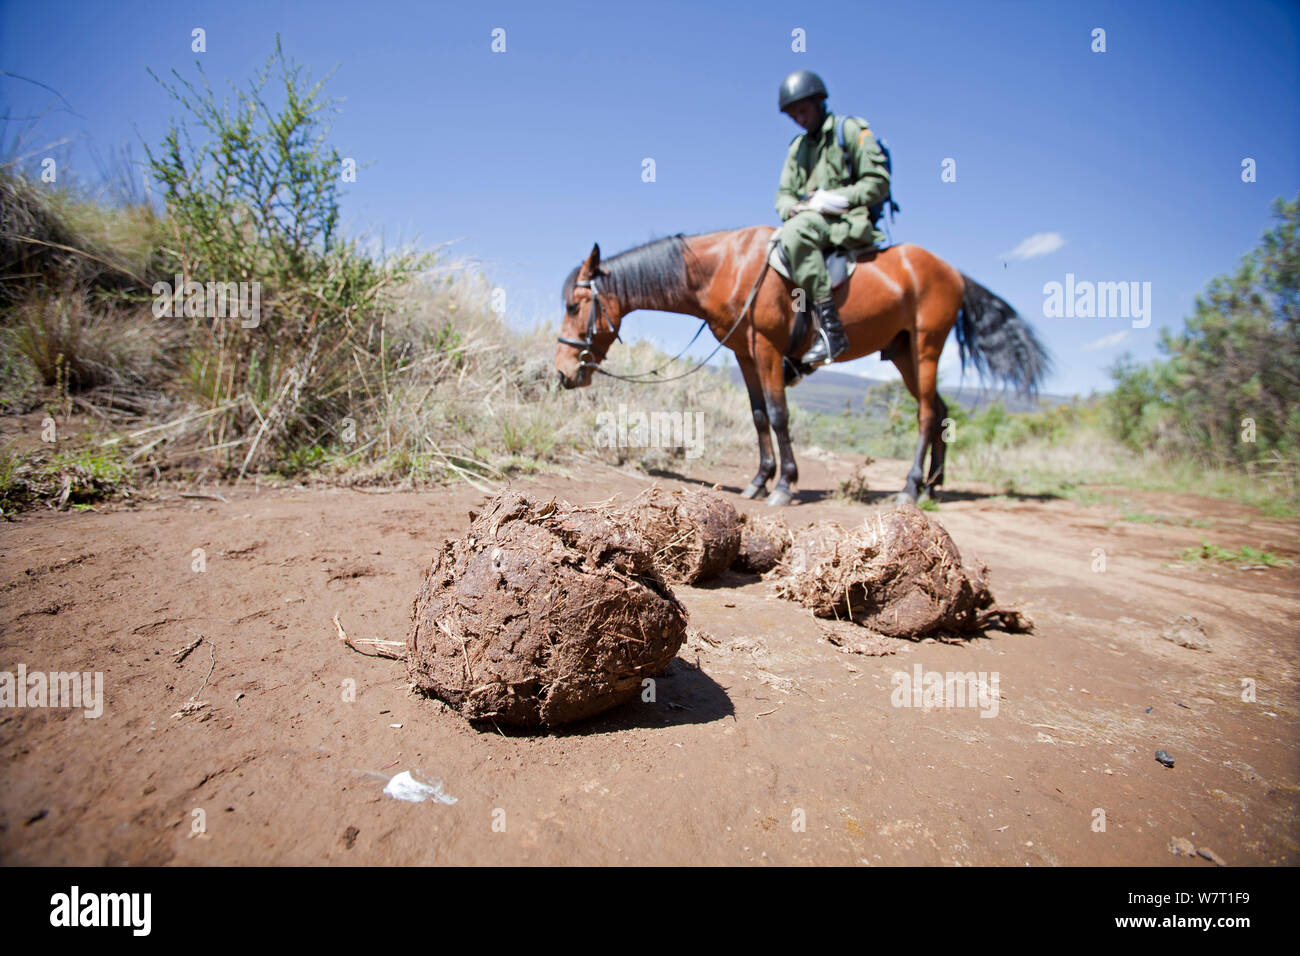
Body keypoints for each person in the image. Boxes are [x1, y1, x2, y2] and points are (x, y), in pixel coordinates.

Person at [774, 70, 891, 368]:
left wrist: (834, 199)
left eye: (803, 110)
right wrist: (793, 208)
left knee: (796, 234)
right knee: (774, 242)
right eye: (793, 115)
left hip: (848, 222)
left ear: (819, 101)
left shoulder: (848, 130)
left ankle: (832, 333)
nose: (799, 118)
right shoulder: (796, 148)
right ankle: (794, 345)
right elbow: (783, 195)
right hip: (810, 222)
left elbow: (878, 182)